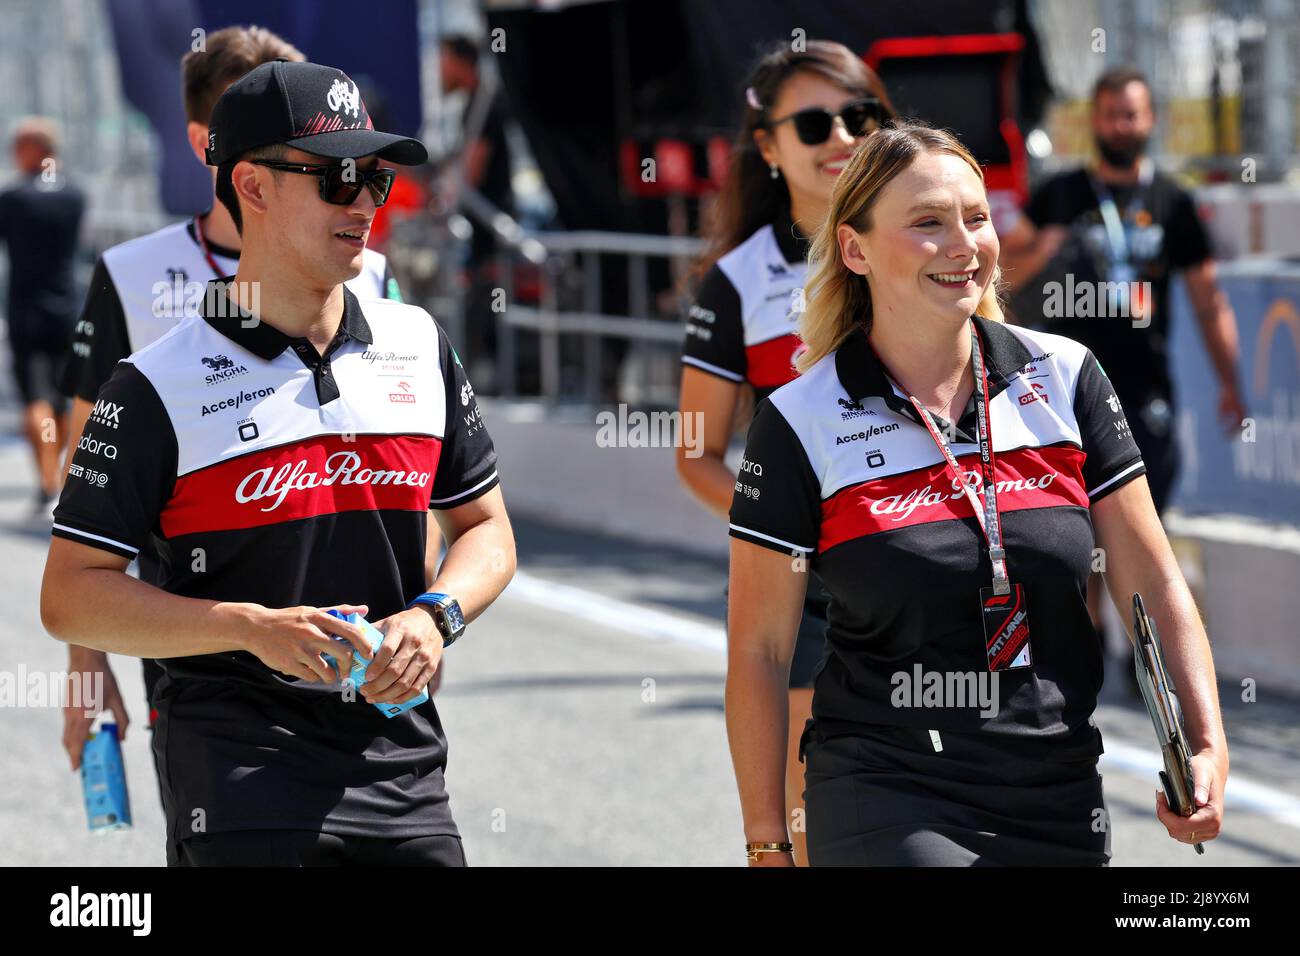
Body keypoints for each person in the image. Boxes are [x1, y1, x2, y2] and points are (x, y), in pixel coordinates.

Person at [42, 59, 516, 866]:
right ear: (252, 187)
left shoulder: (418, 343)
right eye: (337, 178)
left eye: (375, 176)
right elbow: (69, 598)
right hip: (237, 779)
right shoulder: (153, 382)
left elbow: (487, 530)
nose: (367, 201)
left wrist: (436, 617)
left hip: (403, 769)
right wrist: (250, 630)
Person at [726, 122, 1227, 866]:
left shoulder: (1065, 376)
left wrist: (1206, 741)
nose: (965, 244)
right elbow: (761, 651)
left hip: (1058, 791)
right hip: (885, 784)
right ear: (856, 249)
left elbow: (1150, 577)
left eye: (977, 216)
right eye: (928, 222)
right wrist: (767, 841)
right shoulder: (799, 421)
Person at [56, 26, 422, 782]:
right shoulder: (134, 272)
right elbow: (84, 482)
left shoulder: (371, 272)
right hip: (190, 630)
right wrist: (87, 665)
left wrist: (422, 616)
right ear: (213, 147)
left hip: (358, 649)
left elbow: (407, 450)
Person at [676, 40, 894, 866]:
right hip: (810, 593)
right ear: (766, 146)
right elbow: (695, 455)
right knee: (812, 826)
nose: (841, 135)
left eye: (860, 115)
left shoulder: (924, 244)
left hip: (929, 563)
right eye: (813, 123)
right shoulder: (737, 280)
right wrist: (789, 536)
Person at [998, 67, 1246, 679]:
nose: (1121, 126)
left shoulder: (1174, 202)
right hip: (1060, 390)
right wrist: (1047, 247)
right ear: (1095, 121)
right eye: (1110, 114)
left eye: (1131, 114)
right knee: (1071, 522)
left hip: (1144, 391)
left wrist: (1232, 382)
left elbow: (1209, 300)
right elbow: (1000, 272)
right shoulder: (1059, 194)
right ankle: (1089, 645)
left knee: (1140, 524)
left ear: (1149, 120)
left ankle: (1148, 656)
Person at [0, 117, 86, 515]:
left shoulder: (15, 199)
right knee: (61, 399)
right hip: (68, 308)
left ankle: (48, 479)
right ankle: (61, 474)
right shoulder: (74, 195)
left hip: (26, 312)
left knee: (36, 399)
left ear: (34, 148)